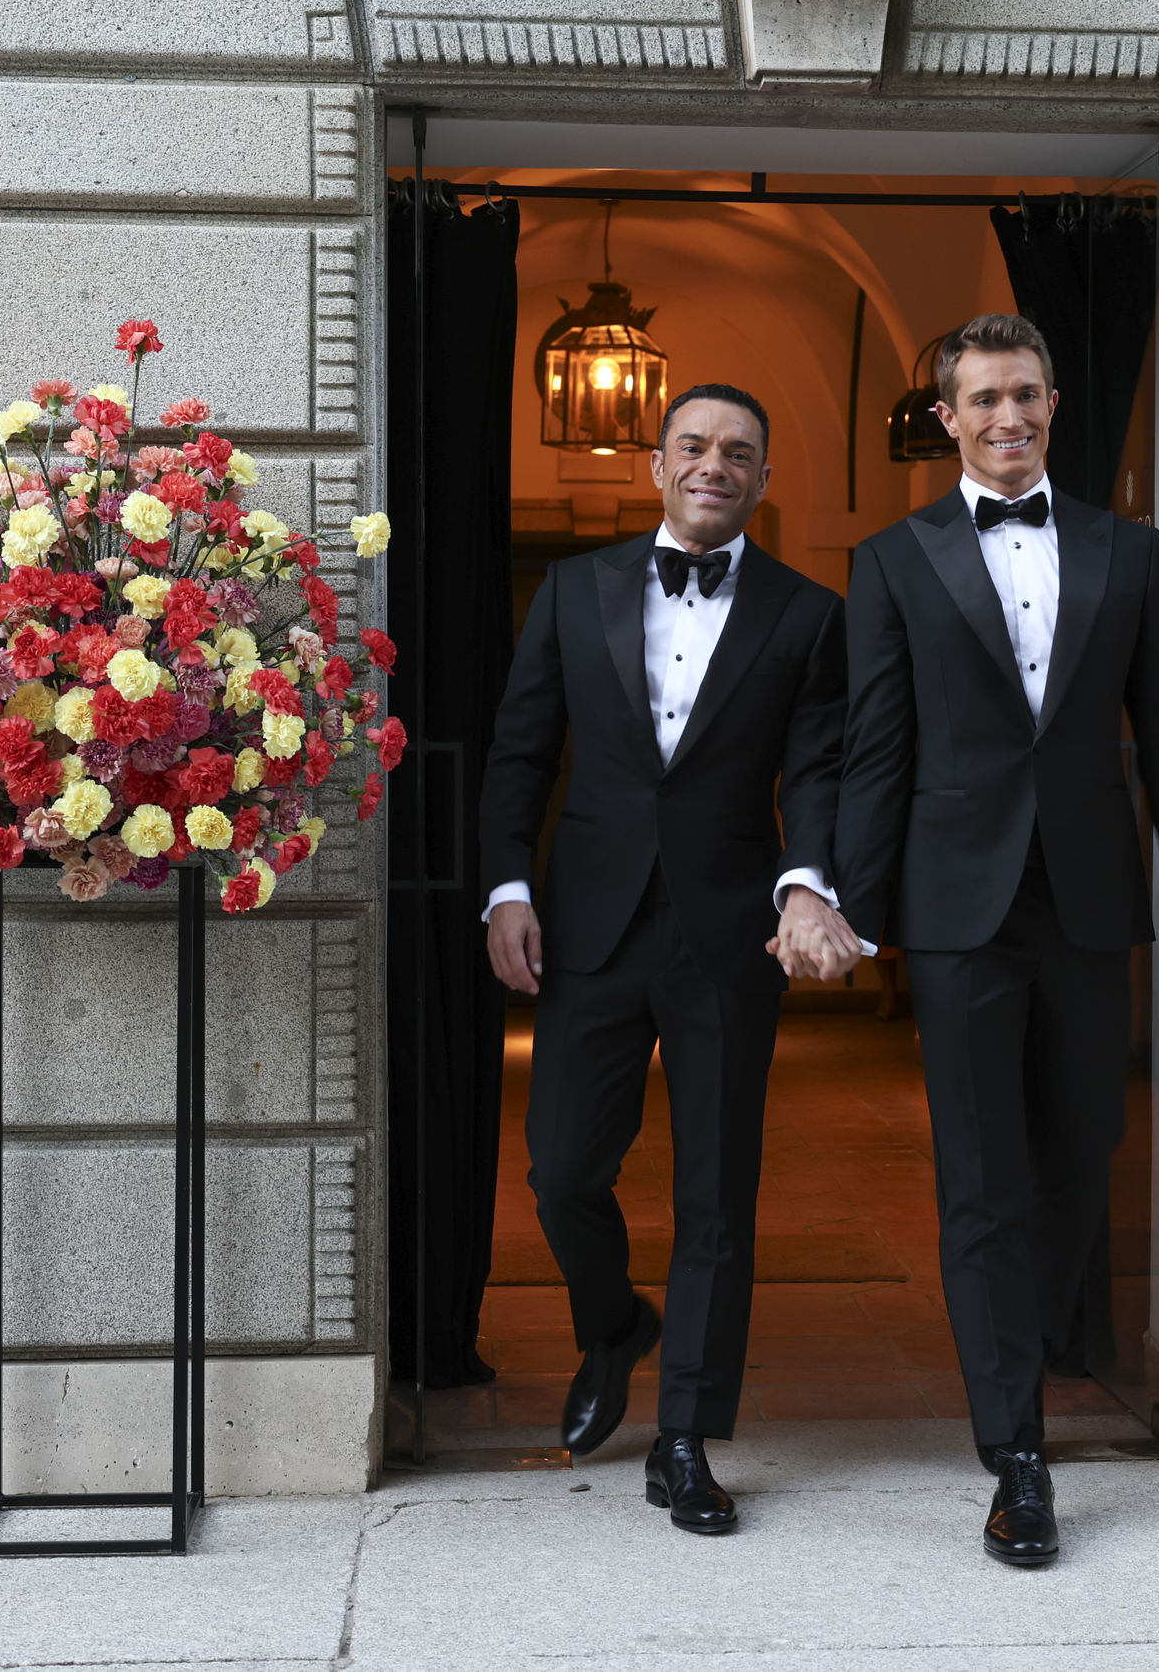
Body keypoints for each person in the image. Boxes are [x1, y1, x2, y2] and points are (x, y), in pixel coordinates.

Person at [827, 313, 1159, 1566]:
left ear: (1055, 404)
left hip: (1087, 899)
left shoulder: (1127, 549)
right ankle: (1017, 1453)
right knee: (980, 1177)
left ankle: (1041, 1338)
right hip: (955, 913)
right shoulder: (894, 560)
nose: (1008, 417)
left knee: (1085, 1144)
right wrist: (848, 902)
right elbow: (874, 751)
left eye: (1027, 395)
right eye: (983, 399)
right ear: (945, 417)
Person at [477, 383, 857, 1534]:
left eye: (738, 452)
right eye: (692, 445)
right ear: (656, 463)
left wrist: (806, 886)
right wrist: (506, 888)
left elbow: (823, 771)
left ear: (762, 479)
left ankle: (684, 1437)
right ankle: (613, 1326)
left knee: (716, 1197)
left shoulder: (807, 614)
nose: (712, 465)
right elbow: (520, 750)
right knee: (559, 1170)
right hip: (589, 922)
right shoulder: (575, 590)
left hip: (729, 931)